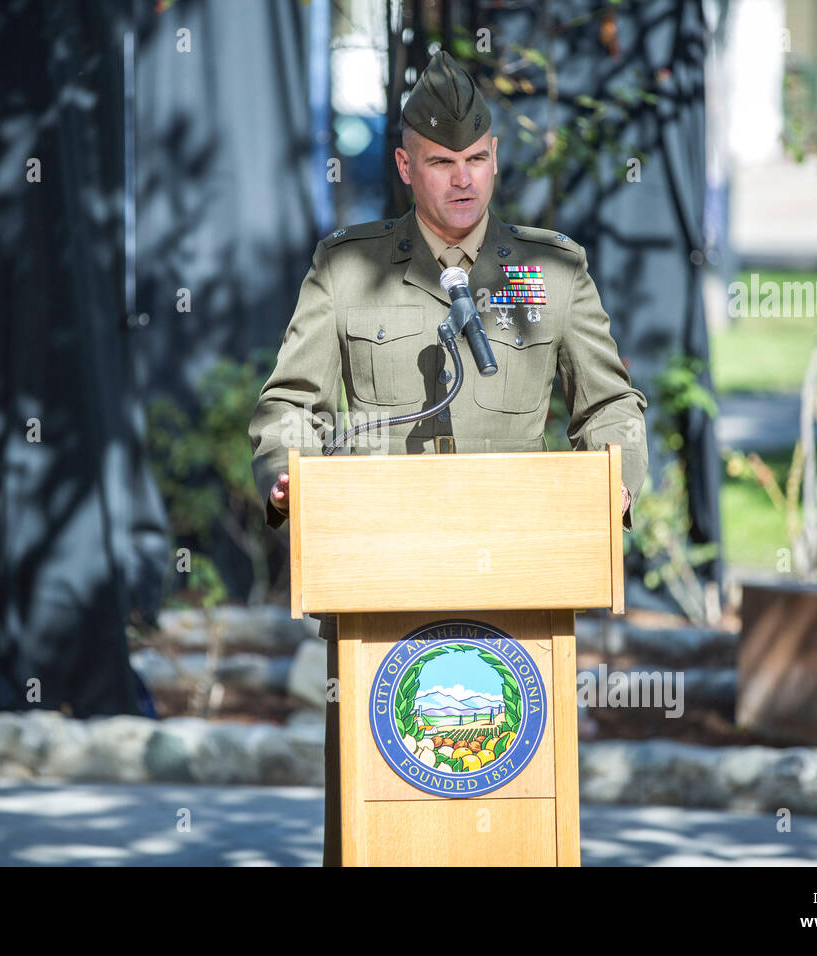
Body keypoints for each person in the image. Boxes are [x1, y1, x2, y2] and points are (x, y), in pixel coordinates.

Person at [246, 50, 648, 866]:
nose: (463, 181)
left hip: (523, 581)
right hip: (378, 583)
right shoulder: (347, 272)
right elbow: (289, 407)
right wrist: (288, 472)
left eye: (476, 160)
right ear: (404, 166)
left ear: (496, 156)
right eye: (440, 163)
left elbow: (610, 406)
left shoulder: (550, 271)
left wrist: (611, 486)